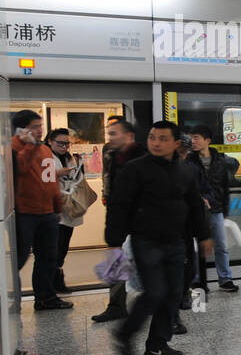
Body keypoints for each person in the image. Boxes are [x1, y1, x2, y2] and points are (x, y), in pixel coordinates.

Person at [106, 122, 211, 355]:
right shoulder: (134, 170)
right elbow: (119, 206)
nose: (156, 143)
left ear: (176, 144)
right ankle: (125, 333)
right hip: (146, 241)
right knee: (155, 292)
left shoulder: (185, 171)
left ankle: (157, 345)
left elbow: (195, 206)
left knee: (174, 293)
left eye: (163, 138)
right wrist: (114, 241)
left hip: (176, 242)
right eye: (152, 137)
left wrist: (203, 235)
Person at [11, 110, 70, 311]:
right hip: (24, 213)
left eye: (40, 126)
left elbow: (50, 181)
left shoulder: (45, 150)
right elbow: (19, 168)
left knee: (48, 257)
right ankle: (12, 300)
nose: (39, 130)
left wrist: (57, 206)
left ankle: (46, 297)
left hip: (47, 213)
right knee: (19, 258)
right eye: (35, 126)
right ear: (22, 128)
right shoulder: (13, 147)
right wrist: (28, 145)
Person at [91, 118, 146, 322]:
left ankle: (168, 312)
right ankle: (116, 305)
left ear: (128, 136)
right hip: (118, 218)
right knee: (115, 261)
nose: (110, 138)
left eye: (114, 133)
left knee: (149, 265)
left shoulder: (144, 157)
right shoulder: (113, 156)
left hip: (141, 221)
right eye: (109, 133)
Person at [186, 125, 239, 293]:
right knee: (195, 247)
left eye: (196, 138)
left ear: (207, 141)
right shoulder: (188, 161)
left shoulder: (220, 161)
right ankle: (196, 280)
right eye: (191, 138)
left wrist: (225, 211)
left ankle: (225, 279)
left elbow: (225, 188)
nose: (192, 141)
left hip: (216, 209)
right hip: (195, 210)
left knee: (221, 245)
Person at [47, 128, 86, 293]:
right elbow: (42, 179)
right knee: (53, 246)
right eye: (60, 143)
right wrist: (57, 174)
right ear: (50, 141)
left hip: (68, 204)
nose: (64, 147)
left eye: (66, 143)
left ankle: (57, 279)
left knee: (63, 244)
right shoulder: (45, 157)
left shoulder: (69, 157)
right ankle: (52, 284)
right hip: (53, 207)